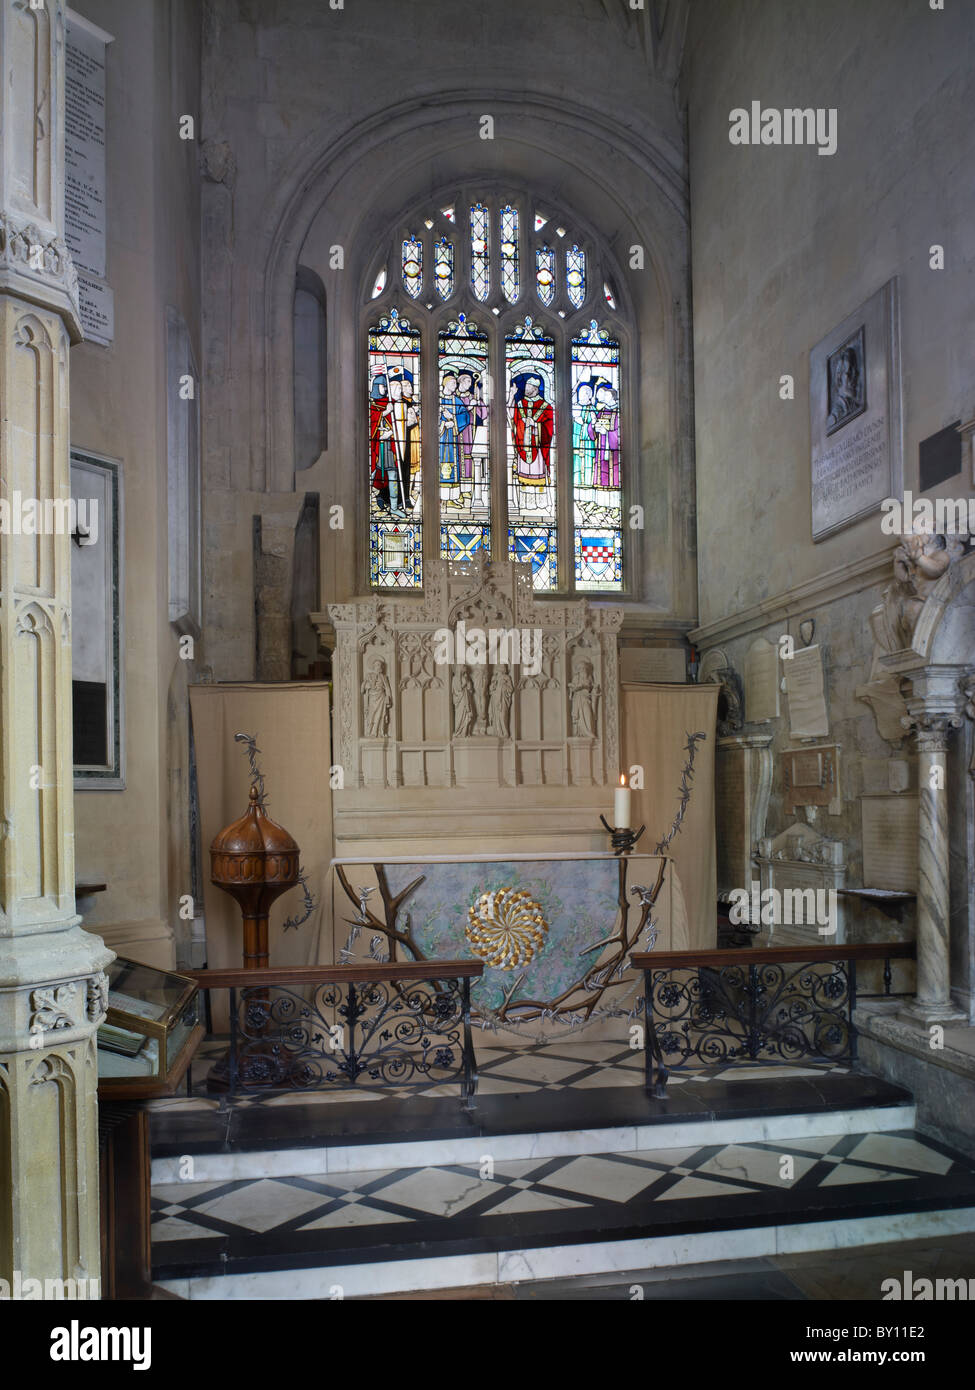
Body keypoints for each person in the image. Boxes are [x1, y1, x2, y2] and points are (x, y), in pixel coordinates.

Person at [508, 371, 554, 513]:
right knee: (524, 474)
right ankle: (524, 503)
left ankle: (539, 504)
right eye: (526, 385)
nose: (526, 388)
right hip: (523, 444)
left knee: (537, 472)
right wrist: (511, 396)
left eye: (528, 386)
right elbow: (510, 417)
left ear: (535, 389)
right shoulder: (520, 403)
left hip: (537, 447)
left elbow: (549, 429)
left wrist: (534, 424)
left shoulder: (546, 407)